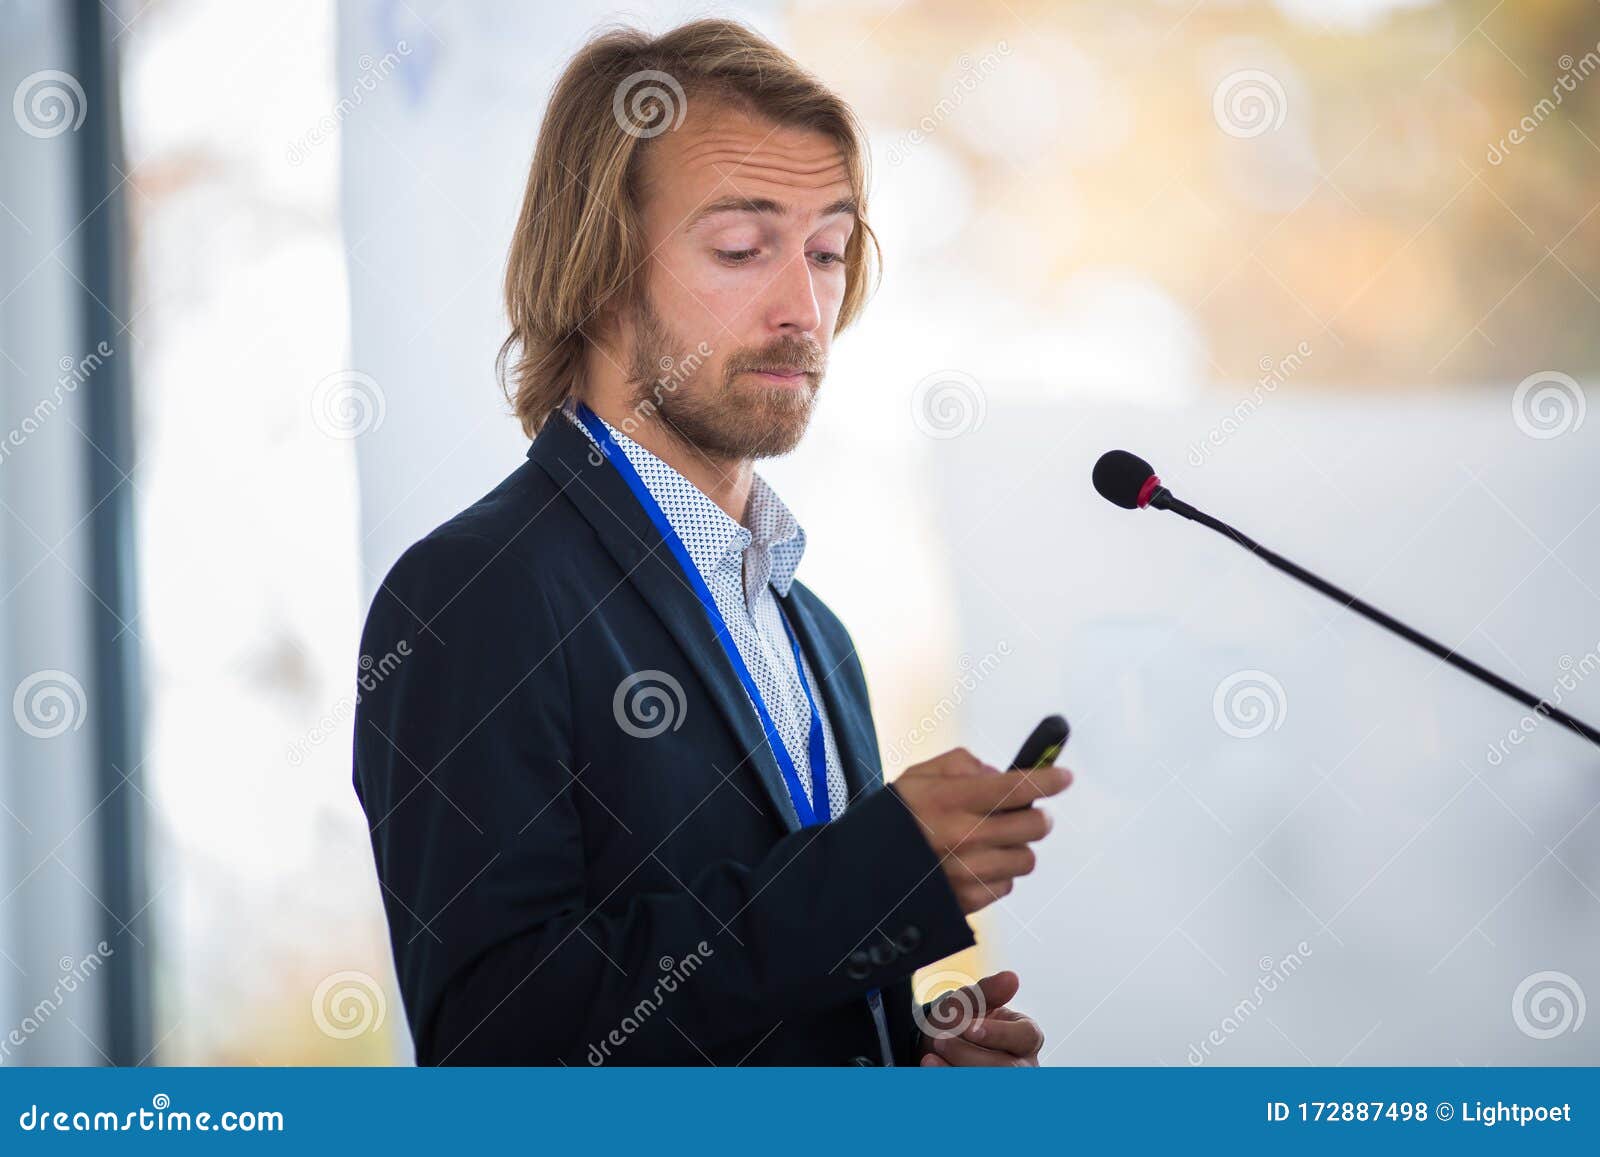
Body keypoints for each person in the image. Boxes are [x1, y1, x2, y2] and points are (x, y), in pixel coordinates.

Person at [353, 18, 1071, 1066]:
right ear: (599, 270)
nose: (805, 309)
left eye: (827, 251)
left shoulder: (813, 631)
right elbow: (495, 1044)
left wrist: (903, 1068)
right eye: (741, 248)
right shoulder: (473, 592)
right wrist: (875, 871)